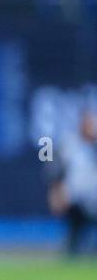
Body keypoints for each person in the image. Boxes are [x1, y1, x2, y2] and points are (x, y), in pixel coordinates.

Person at [46, 109, 97, 255]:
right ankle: (72, 250)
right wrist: (56, 193)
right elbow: (54, 170)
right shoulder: (69, 144)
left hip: (94, 198)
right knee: (75, 233)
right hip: (75, 199)